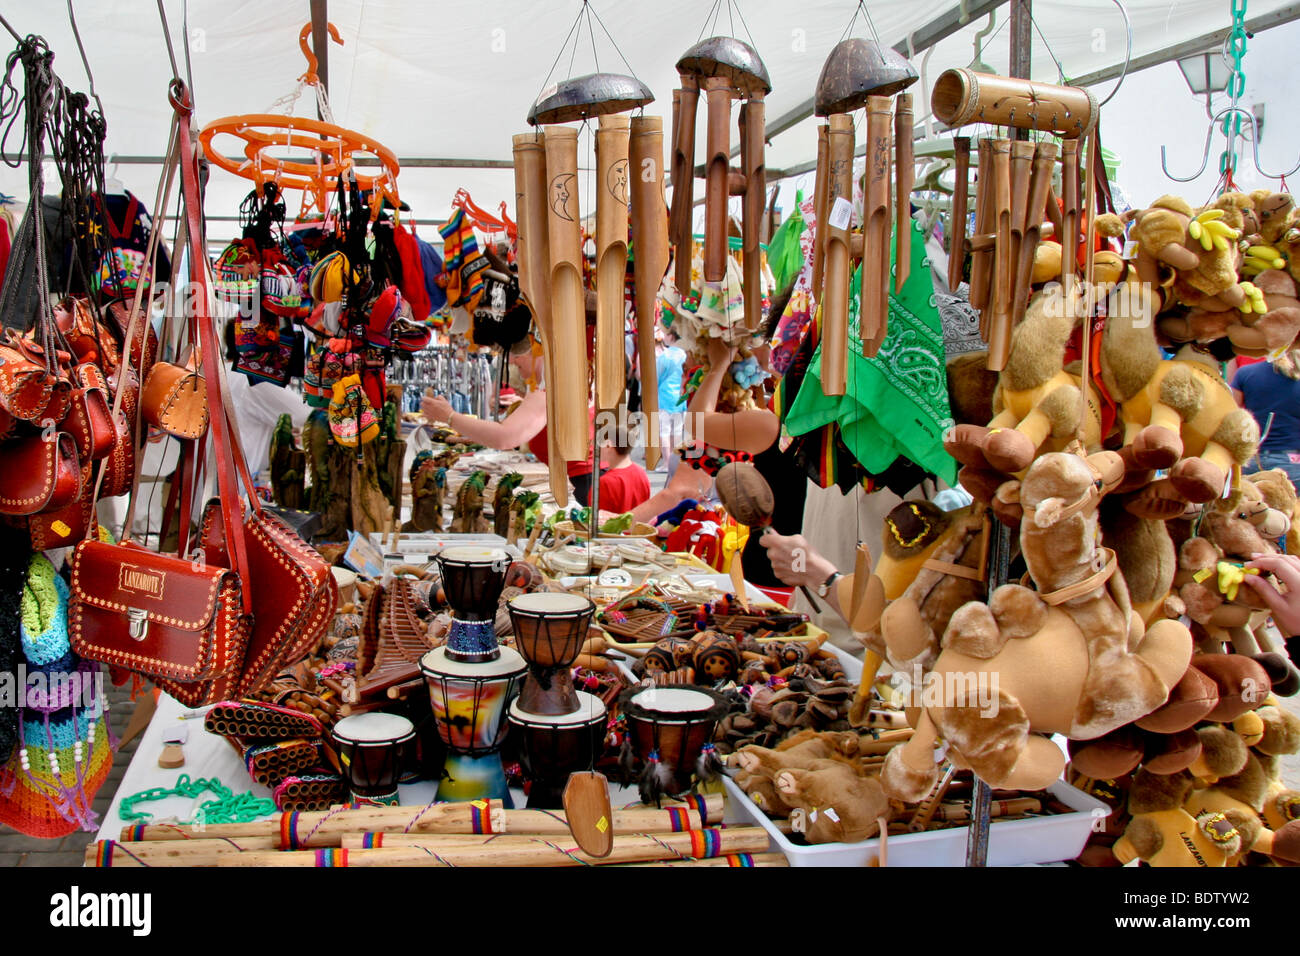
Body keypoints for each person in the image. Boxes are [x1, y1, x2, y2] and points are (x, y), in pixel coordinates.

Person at [421, 334, 597, 505]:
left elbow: (503, 437)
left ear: (536, 352)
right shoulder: (560, 387)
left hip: (583, 485)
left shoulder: (549, 394)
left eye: (517, 353)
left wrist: (449, 416)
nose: (511, 361)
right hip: (583, 482)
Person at [630, 336, 779, 524]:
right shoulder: (740, 426)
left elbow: (676, 493)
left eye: (686, 371)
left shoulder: (744, 428)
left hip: (704, 535)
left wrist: (622, 521)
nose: (682, 380)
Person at [1232, 350, 1300, 487]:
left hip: (1251, 461)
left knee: (1252, 507)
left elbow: (1231, 418)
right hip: (1293, 463)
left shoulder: (1245, 373)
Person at [655, 329, 688, 477]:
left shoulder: (665, 356)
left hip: (665, 395)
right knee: (677, 431)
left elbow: (656, 377)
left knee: (664, 431)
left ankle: (667, 463)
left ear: (671, 336)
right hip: (681, 396)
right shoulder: (685, 355)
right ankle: (676, 461)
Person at [596, 426, 651, 514]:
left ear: (608, 445)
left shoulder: (605, 483)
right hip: (637, 526)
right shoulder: (641, 472)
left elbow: (599, 520)